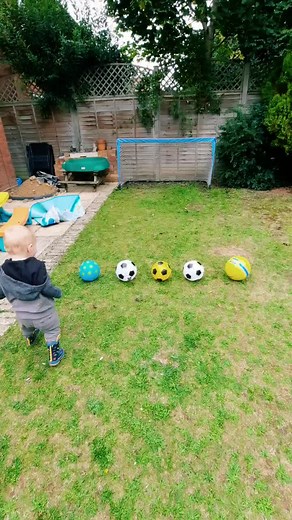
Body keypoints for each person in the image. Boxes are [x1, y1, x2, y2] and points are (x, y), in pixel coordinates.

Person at [0, 225, 64, 366]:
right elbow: (47, 288)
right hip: (44, 315)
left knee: (27, 326)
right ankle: (54, 353)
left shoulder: (3, 271)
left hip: (22, 316)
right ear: (29, 248)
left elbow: (1, 291)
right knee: (52, 330)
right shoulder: (37, 268)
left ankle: (30, 337)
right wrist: (58, 293)